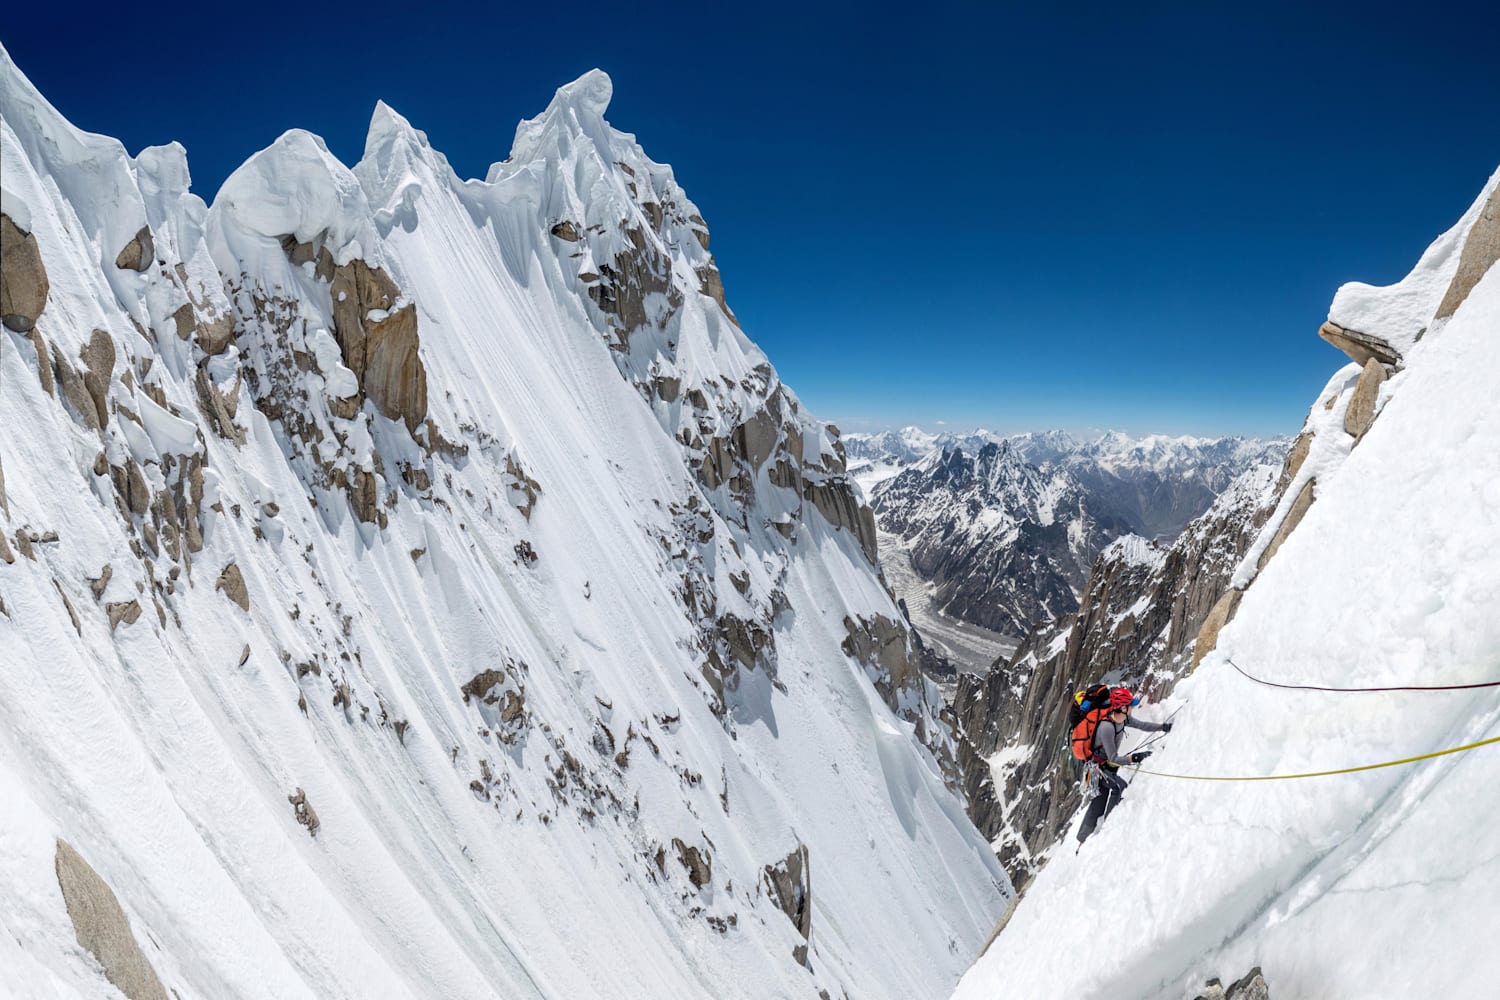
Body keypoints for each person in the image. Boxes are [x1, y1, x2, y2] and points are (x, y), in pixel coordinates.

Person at [1075, 687, 1172, 846]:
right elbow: (1113, 758)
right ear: (1122, 707)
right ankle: (1107, 826)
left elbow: (1142, 725)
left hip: (1106, 767)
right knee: (1118, 787)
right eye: (1130, 706)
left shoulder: (1123, 719)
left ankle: (1084, 837)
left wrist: (1162, 727)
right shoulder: (1106, 727)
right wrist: (1133, 758)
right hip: (1098, 769)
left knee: (1100, 800)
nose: (1132, 708)